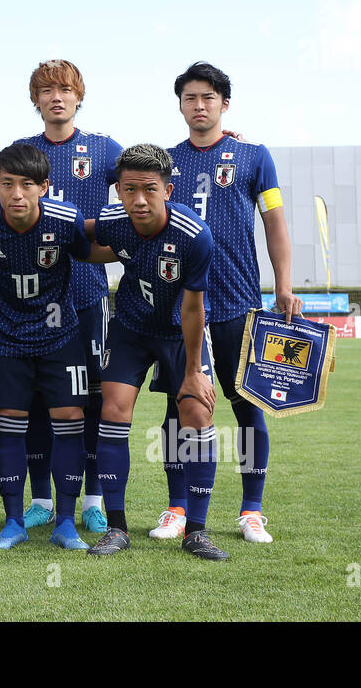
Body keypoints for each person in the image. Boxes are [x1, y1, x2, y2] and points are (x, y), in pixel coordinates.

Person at [0, 144, 106, 551]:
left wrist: (143, 243)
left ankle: (66, 522)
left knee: (69, 423)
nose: (17, 194)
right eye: (8, 184)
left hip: (60, 338)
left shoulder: (65, 219)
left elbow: (96, 250)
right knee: (11, 429)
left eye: (27, 185)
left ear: (45, 187)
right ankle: (14, 521)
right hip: (5, 341)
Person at [166, 63, 301, 544]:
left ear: (224, 103)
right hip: (179, 308)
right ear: (180, 105)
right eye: (189, 98)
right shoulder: (165, 162)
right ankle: (177, 508)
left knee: (247, 407)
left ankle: (251, 510)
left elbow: (275, 224)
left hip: (240, 303)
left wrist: (282, 285)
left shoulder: (254, 156)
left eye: (207, 97)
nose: (198, 105)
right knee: (178, 407)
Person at [84, 143, 226, 560]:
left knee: (197, 412)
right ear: (119, 191)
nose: (138, 200)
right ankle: (116, 527)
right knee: (113, 409)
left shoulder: (194, 234)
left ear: (167, 189)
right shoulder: (113, 221)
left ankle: (196, 531)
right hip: (130, 327)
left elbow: (195, 306)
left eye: (148, 189)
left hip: (182, 333)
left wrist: (195, 370)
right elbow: (74, 235)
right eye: (128, 190)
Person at [14, 60, 123, 534]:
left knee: (93, 400)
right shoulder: (18, 153)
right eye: (45, 90)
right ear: (34, 100)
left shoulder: (105, 150)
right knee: (39, 399)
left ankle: (93, 499)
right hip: (33, 301)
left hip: (86, 294)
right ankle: (41, 497)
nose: (55, 97)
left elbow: (150, 181)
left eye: (64, 89)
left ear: (79, 97)